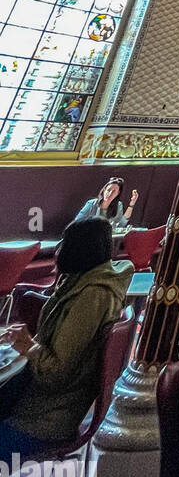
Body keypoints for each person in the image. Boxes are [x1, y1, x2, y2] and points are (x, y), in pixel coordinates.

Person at [0, 219, 133, 461]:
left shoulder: (92, 296)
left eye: (64, 243)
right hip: (34, 401)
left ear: (78, 249)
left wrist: (28, 345)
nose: (58, 250)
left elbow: (57, 373)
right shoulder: (83, 282)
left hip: (46, 420)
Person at [72, 177, 138, 227]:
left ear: (118, 194)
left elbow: (121, 224)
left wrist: (132, 203)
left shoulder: (118, 205)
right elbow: (77, 222)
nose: (109, 194)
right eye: (108, 190)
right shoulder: (91, 204)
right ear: (104, 190)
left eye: (113, 191)